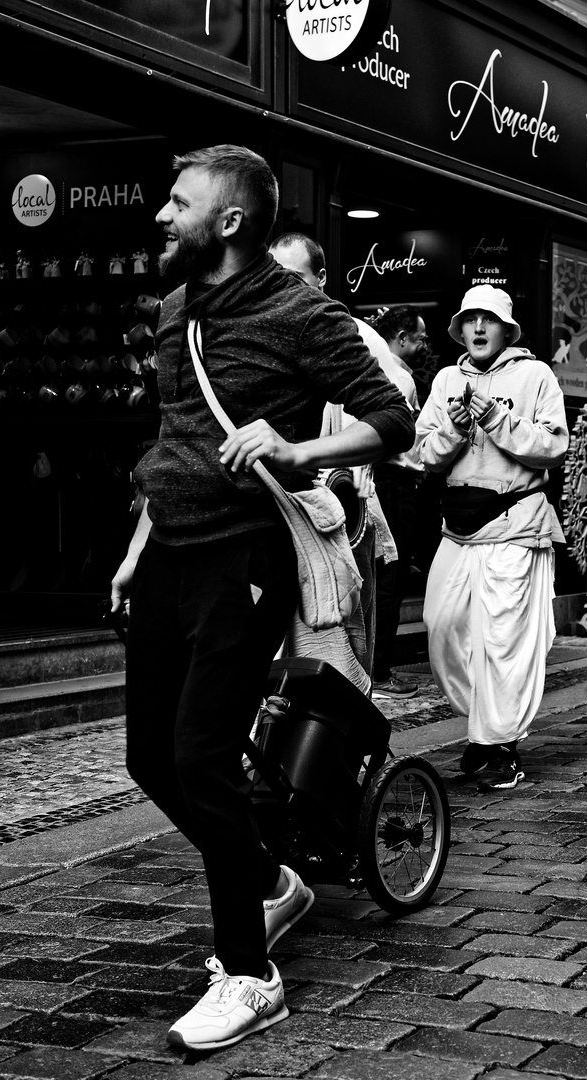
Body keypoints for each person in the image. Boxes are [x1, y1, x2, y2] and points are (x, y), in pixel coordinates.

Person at [108, 145, 412, 1051]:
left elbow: (393, 420)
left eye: (179, 201)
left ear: (230, 219)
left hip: (245, 555)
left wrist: (297, 450)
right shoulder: (175, 309)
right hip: (170, 552)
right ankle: (272, 881)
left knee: (202, 756)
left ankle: (250, 974)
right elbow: (177, 439)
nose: (163, 215)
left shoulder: (299, 312)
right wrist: (137, 549)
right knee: (149, 757)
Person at [418, 285, 568, 791]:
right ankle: (486, 722)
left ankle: (499, 743)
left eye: (489, 319)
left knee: (503, 639)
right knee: (441, 625)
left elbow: (553, 447)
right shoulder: (445, 379)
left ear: (507, 329)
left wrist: (496, 418)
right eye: (470, 319)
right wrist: (455, 430)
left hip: (516, 521)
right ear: (460, 329)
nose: (479, 327)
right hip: (458, 525)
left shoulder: (536, 375)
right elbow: (423, 454)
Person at [268, 232, 416, 677]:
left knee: (343, 618)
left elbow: (393, 409)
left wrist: (355, 463)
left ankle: (340, 702)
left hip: (343, 496)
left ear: (322, 278)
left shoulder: (357, 334)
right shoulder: (265, 326)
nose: (284, 287)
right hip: (276, 500)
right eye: (275, 276)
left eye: (295, 277)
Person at [368, 306, 430, 698]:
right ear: (402, 338)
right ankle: (379, 672)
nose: (424, 346)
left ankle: (370, 667)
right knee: (391, 576)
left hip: (383, 480)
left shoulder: (380, 368)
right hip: (394, 483)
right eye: (421, 338)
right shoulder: (398, 378)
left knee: (381, 575)